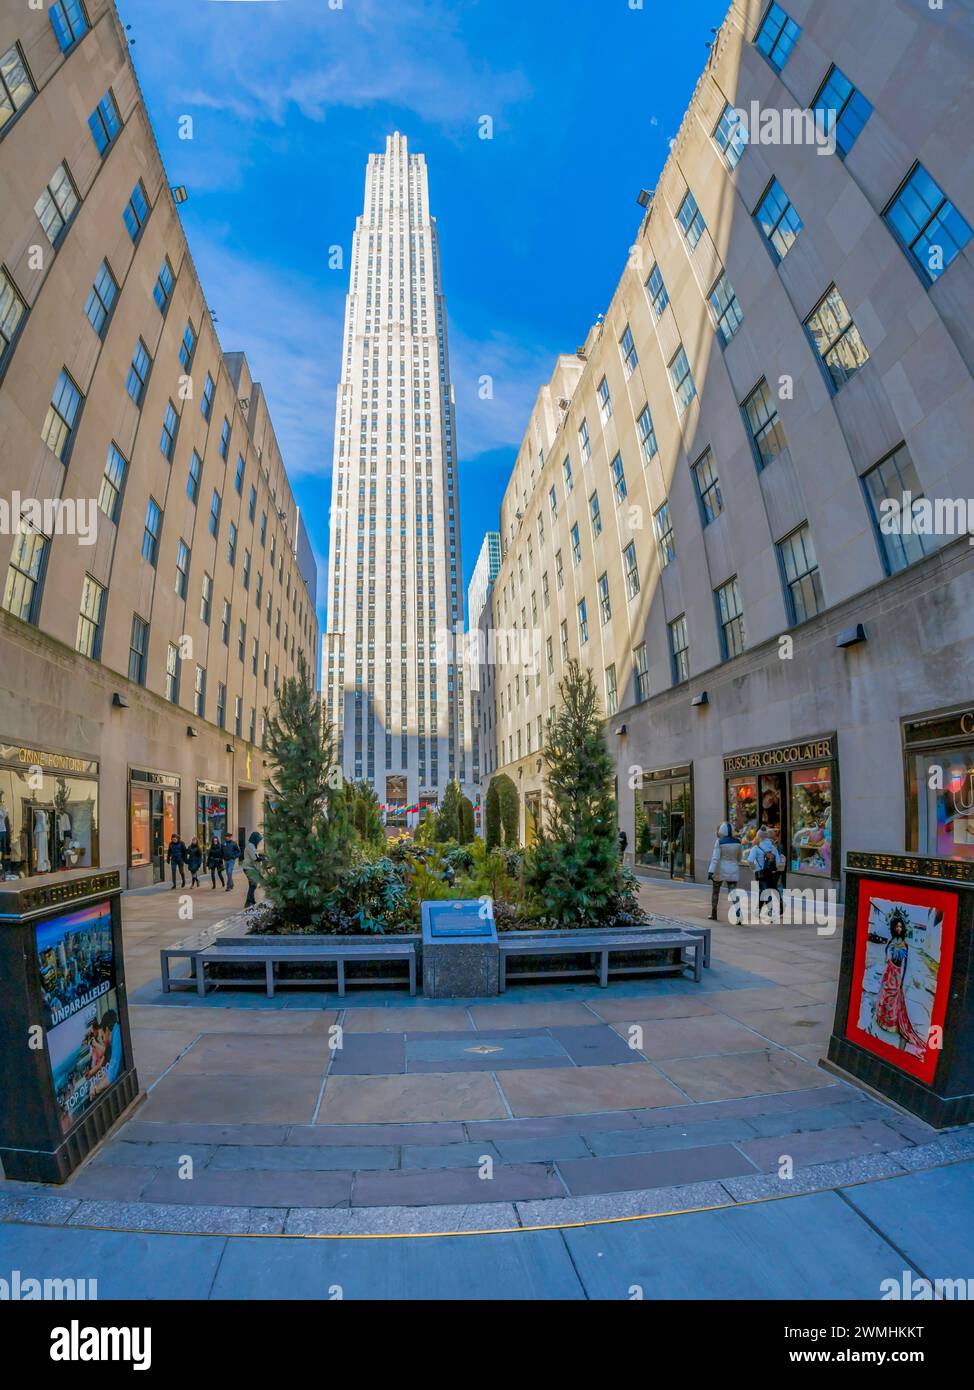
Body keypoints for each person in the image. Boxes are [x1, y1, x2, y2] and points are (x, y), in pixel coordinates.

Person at [747, 824, 785, 919]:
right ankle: (759, 910)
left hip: (761, 874)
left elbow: (750, 860)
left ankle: (771, 911)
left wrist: (754, 868)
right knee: (763, 891)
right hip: (771, 874)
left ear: (758, 836)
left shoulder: (756, 848)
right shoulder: (773, 848)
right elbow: (778, 862)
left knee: (765, 891)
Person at [707, 821, 742, 921]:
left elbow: (715, 858)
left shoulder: (719, 842)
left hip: (720, 870)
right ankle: (738, 912)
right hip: (733, 870)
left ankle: (714, 913)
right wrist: (734, 862)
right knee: (733, 892)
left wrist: (710, 871)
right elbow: (739, 857)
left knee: (715, 892)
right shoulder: (738, 842)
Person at [243, 830, 263, 908]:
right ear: (255, 838)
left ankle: (252, 900)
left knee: (252, 885)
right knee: (253, 885)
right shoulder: (250, 846)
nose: (259, 841)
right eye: (258, 839)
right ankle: (248, 902)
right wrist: (262, 859)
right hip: (249, 868)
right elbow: (255, 858)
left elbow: (255, 856)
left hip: (249, 868)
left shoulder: (252, 845)